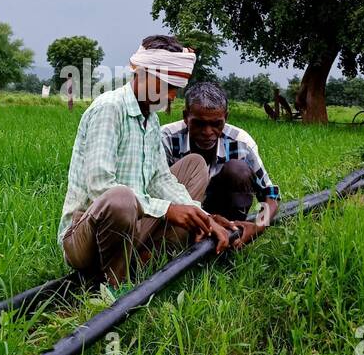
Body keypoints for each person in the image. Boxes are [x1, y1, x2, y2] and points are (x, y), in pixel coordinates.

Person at [58, 35, 234, 286]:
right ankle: (113, 285)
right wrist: (168, 210)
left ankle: (148, 260)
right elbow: (100, 186)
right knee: (121, 197)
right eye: (167, 86)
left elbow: (160, 178)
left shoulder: (151, 119)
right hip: (86, 237)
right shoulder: (109, 108)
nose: (172, 96)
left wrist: (202, 216)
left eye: (176, 88)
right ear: (142, 74)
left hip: (132, 228)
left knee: (194, 166)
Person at [161, 82, 280, 248]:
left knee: (238, 170)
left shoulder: (241, 142)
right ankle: (177, 243)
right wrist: (207, 219)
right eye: (199, 123)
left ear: (226, 118)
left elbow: (269, 195)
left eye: (216, 124)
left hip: (223, 214)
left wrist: (259, 225)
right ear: (186, 117)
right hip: (180, 215)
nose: (208, 132)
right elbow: (156, 192)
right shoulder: (165, 139)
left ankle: (232, 235)